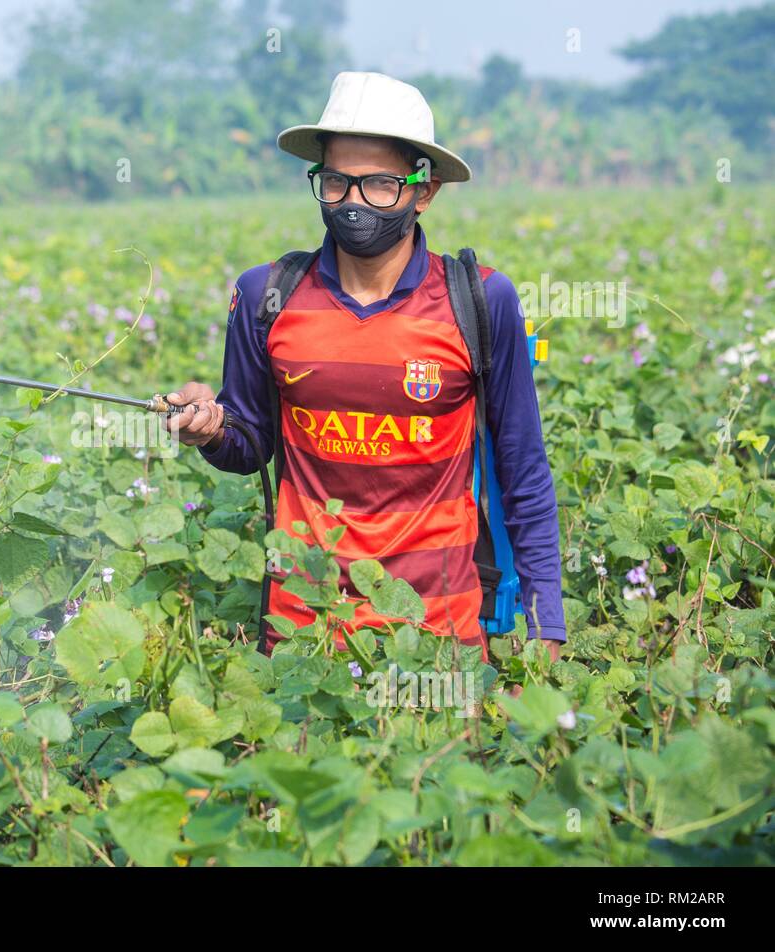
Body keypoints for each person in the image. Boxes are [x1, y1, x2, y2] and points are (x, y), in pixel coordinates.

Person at [167, 72, 564, 662]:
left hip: (438, 638)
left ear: (422, 191)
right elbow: (247, 444)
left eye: (378, 184)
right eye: (336, 182)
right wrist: (210, 426)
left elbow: (523, 470)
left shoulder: (479, 299)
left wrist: (546, 628)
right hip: (303, 634)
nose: (353, 203)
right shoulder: (266, 295)